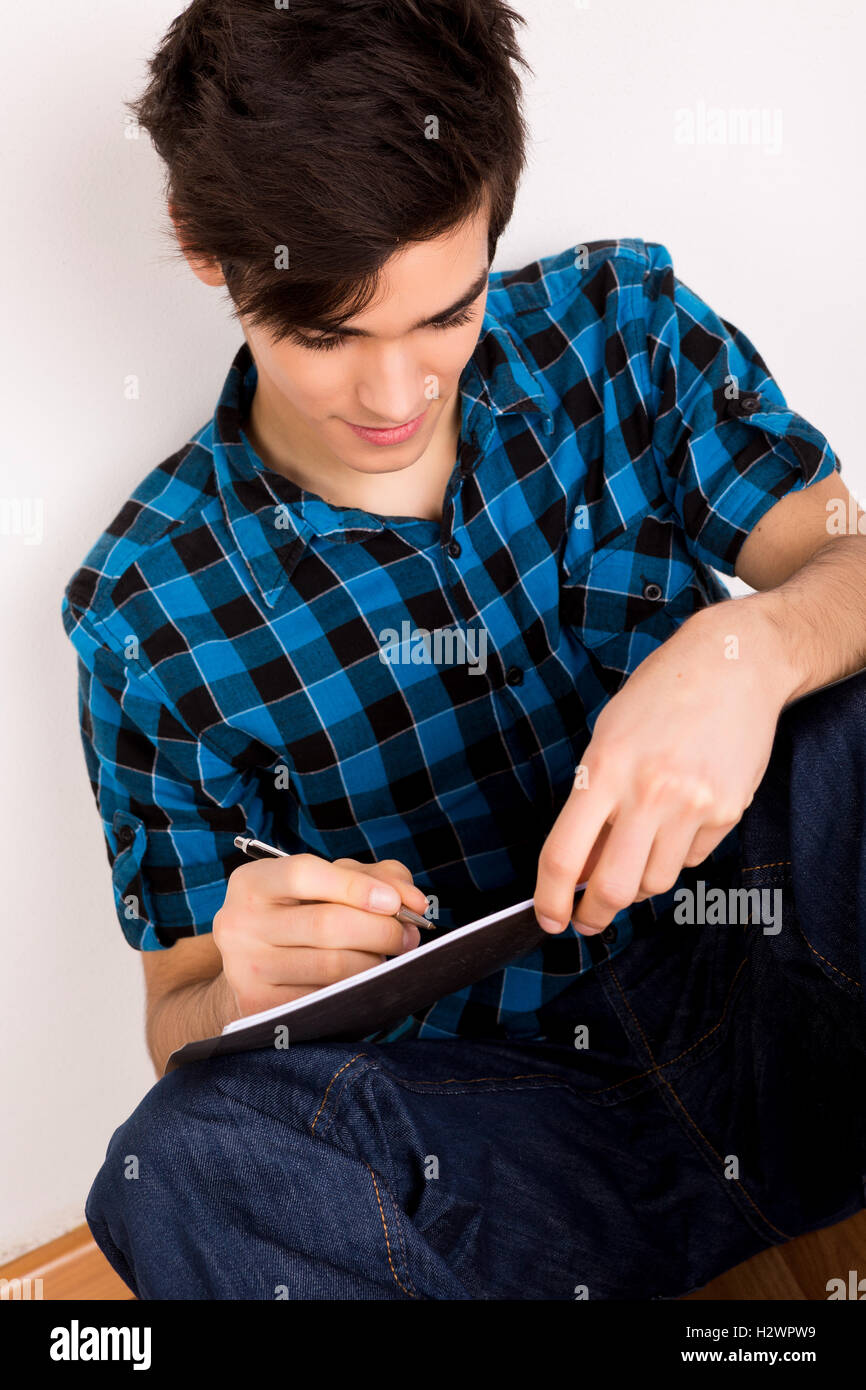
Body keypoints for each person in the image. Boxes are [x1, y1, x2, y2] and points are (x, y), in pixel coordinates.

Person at [62, 0, 866, 1299]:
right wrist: (244, 985)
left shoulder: (624, 327)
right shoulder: (142, 613)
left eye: (446, 313)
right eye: (327, 335)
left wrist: (754, 646)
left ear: (492, 215)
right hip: (505, 1146)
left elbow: (850, 567)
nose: (396, 396)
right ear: (204, 249)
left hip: (790, 994)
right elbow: (179, 1018)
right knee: (182, 1161)